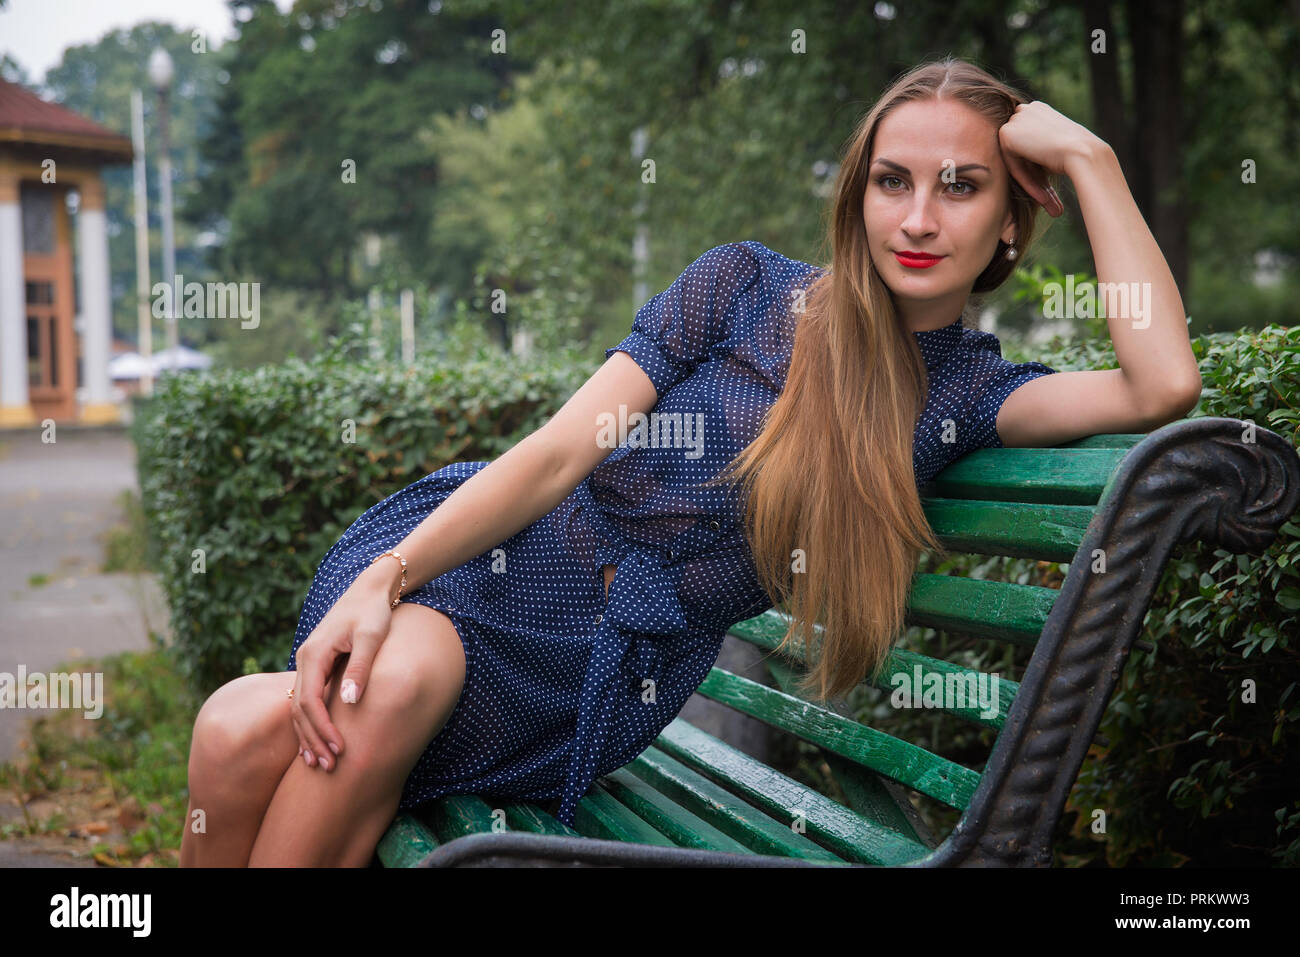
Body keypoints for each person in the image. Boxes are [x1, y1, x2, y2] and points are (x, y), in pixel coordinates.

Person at [180, 56, 1201, 867]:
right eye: (892, 181)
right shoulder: (742, 287)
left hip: (590, 672)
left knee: (383, 692)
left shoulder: (969, 396)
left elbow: (1159, 387)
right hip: (484, 576)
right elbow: (550, 459)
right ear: (857, 195)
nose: (919, 218)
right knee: (233, 732)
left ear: (1011, 223)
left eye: (961, 187)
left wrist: (1090, 160)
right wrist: (386, 575)